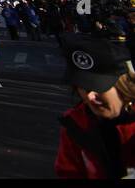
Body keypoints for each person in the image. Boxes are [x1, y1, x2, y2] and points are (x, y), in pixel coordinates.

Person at [54, 34, 135, 178]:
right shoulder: (75, 124)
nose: (90, 97)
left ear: (122, 84)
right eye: (83, 88)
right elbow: (68, 172)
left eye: (99, 86)